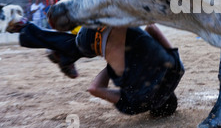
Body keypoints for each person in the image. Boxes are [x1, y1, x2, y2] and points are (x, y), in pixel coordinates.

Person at [6, 17, 185, 117]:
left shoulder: (177, 69)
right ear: (152, 109)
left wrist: (139, 47)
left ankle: (60, 53)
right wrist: (112, 63)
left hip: (111, 14)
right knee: (81, 47)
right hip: (90, 39)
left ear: (172, 94)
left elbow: (152, 27)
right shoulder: (136, 103)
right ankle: (57, 52)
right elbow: (94, 88)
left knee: (79, 47)